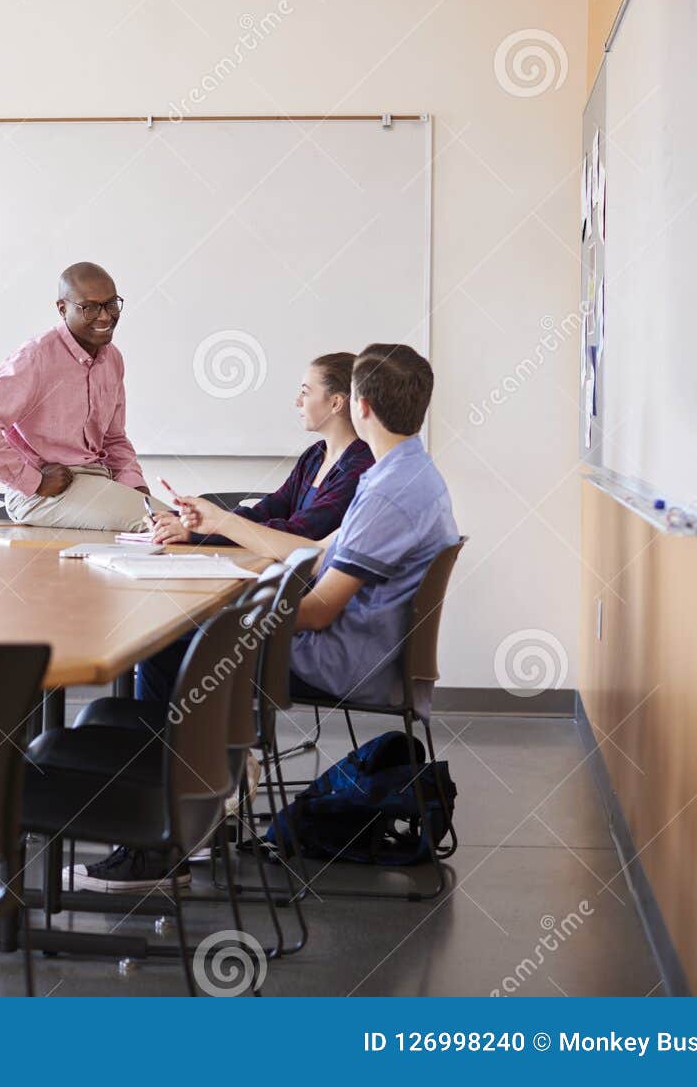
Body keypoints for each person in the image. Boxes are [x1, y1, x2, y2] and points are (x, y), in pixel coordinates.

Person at [67, 343, 460, 892]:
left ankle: (157, 845)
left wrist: (236, 613)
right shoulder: (406, 472)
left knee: (172, 645)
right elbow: (320, 551)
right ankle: (195, 813)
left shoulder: (388, 491)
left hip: (347, 659)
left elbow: (320, 611)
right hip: (369, 646)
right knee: (190, 635)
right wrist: (221, 530)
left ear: (359, 406)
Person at [0, 262, 169, 531]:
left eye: (111, 304)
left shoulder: (112, 359)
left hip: (96, 482)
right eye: (90, 308)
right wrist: (33, 481)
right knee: (169, 527)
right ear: (62, 309)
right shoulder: (35, 358)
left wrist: (133, 484)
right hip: (44, 495)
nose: (104, 317)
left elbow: (114, 438)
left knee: (176, 528)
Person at [146, 351, 372, 546]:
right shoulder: (315, 455)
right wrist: (184, 518)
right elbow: (268, 510)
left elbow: (301, 532)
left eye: (305, 392)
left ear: (336, 403)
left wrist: (205, 530)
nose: (297, 401)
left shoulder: (361, 466)